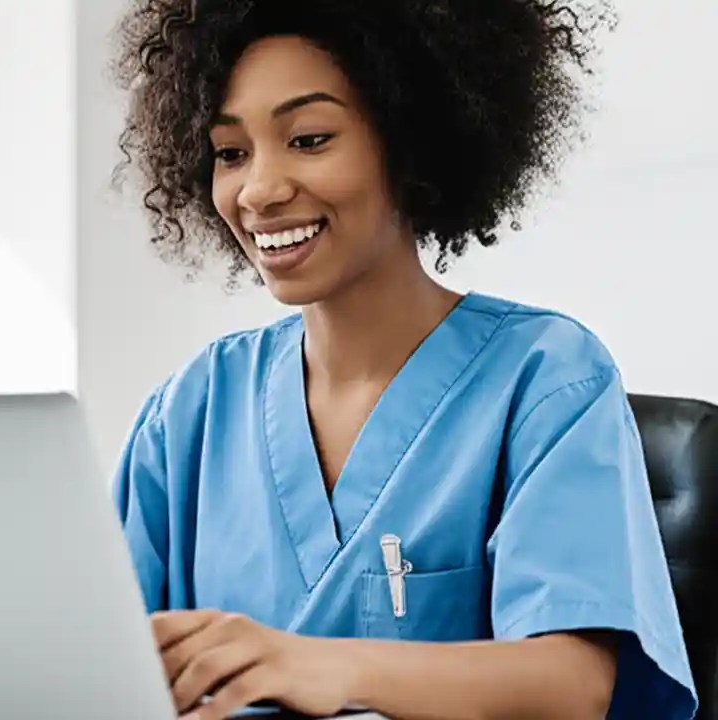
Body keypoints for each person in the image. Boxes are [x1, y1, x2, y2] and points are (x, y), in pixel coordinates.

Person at [109, 1, 697, 718]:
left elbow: (572, 686)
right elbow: (99, 664)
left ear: (412, 141)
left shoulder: (545, 379)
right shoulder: (190, 409)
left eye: (309, 138)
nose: (259, 189)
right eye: (231, 153)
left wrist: (321, 665)